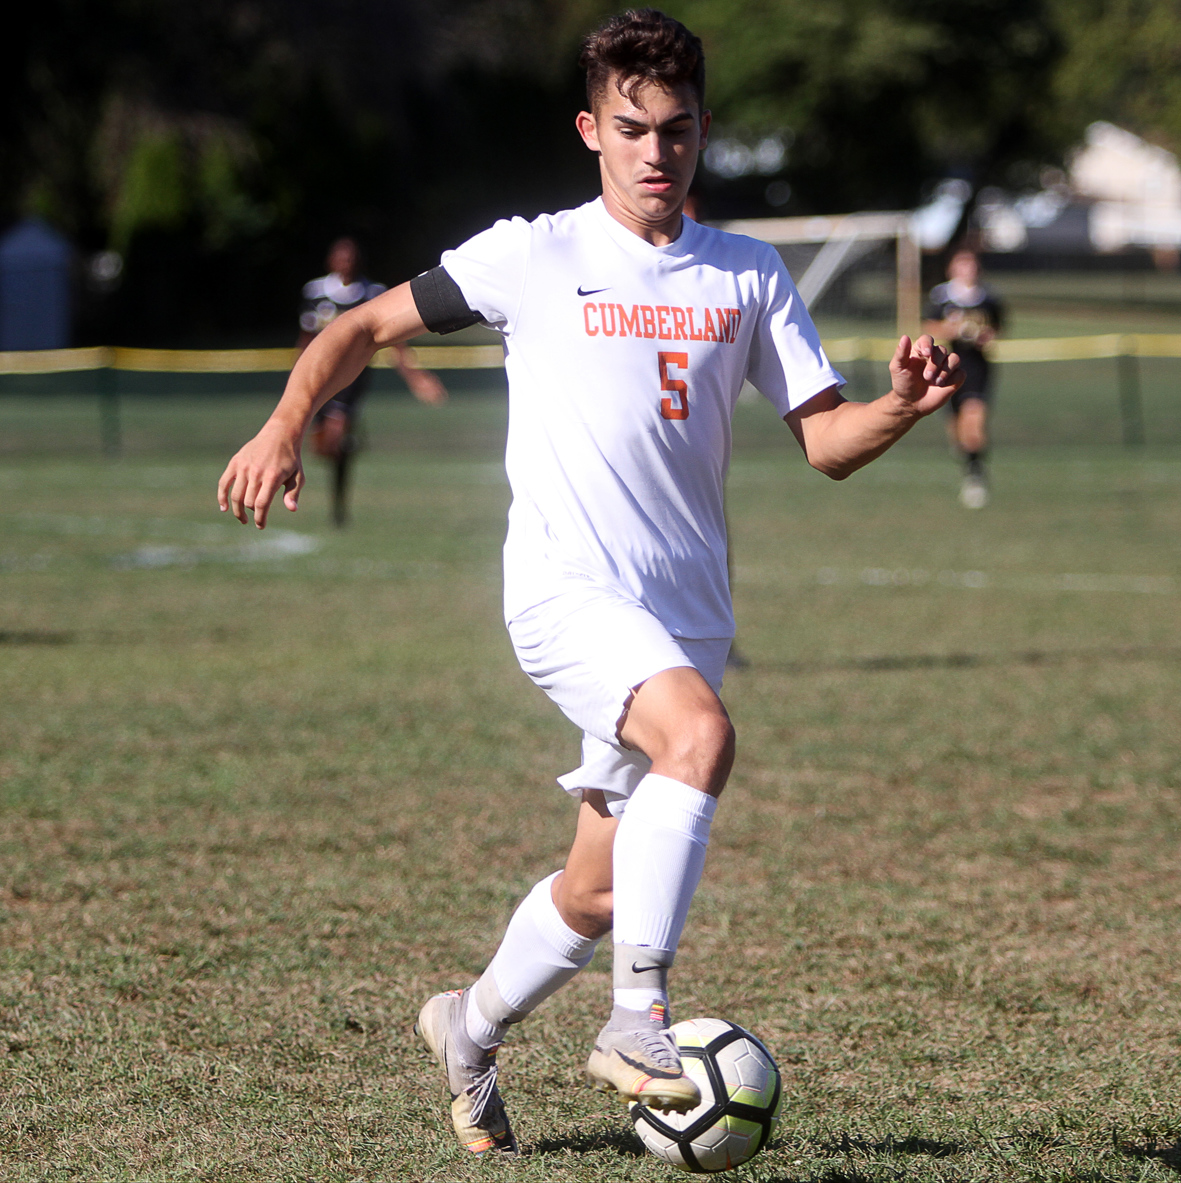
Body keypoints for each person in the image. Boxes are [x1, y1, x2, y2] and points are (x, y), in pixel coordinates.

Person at [218, 8, 962, 1158]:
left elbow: (825, 442)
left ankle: (466, 1029)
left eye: (675, 130)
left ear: (703, 130)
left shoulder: (749, 275)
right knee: (701, 741)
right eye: (631, 129)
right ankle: (638, 1020)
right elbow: (364, 326)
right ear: (590, 130)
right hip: (566, 593)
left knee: (597, 890)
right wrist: (283, 422)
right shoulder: (533, 253)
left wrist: (905, 405)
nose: (655, 152)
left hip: (687, 615)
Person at [298, 237, 448, 525]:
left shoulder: (373, 293)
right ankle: (343, 454)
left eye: (351, 257)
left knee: (337, 435)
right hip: (318, 375)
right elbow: (305, 339)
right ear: (331, 261)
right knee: (324, 448)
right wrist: (298, 375)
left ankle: (338, 508)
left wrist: (416, 378)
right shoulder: (315, 292)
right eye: (341, 257)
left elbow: (396, 343)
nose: (347, 263)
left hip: (351, 380)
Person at [922, 248, 1002, 509]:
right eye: (962, 265)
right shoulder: (942, 297)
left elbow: (997, 329)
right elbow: (928, 327)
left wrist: (982, 335)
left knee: (974, 418)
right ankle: (968, 457)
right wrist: (955, 329)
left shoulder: (988, 299)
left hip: (977, 367)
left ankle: (975, 475)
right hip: (946, 367)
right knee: (957, 428)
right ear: (952, 269)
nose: (967, 270)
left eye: (971, 265)